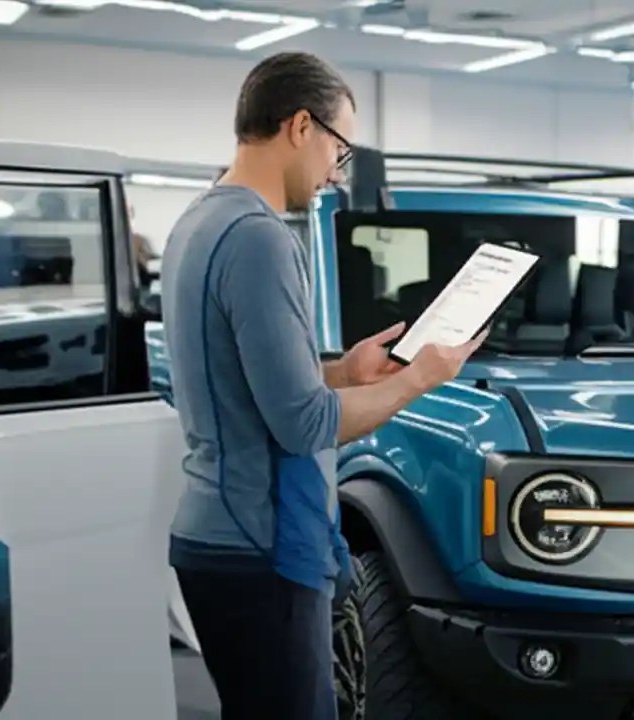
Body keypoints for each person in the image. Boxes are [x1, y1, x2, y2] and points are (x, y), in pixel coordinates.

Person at [159, 51, 485, 720]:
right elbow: (304, 423)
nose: (337, 170)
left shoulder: (198, 222)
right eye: (340, 147)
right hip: (263, 547)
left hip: (217, 537)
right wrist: (421, 378)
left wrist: (343, 373)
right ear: (301, 126)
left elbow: (239, 382)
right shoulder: (259, 237)